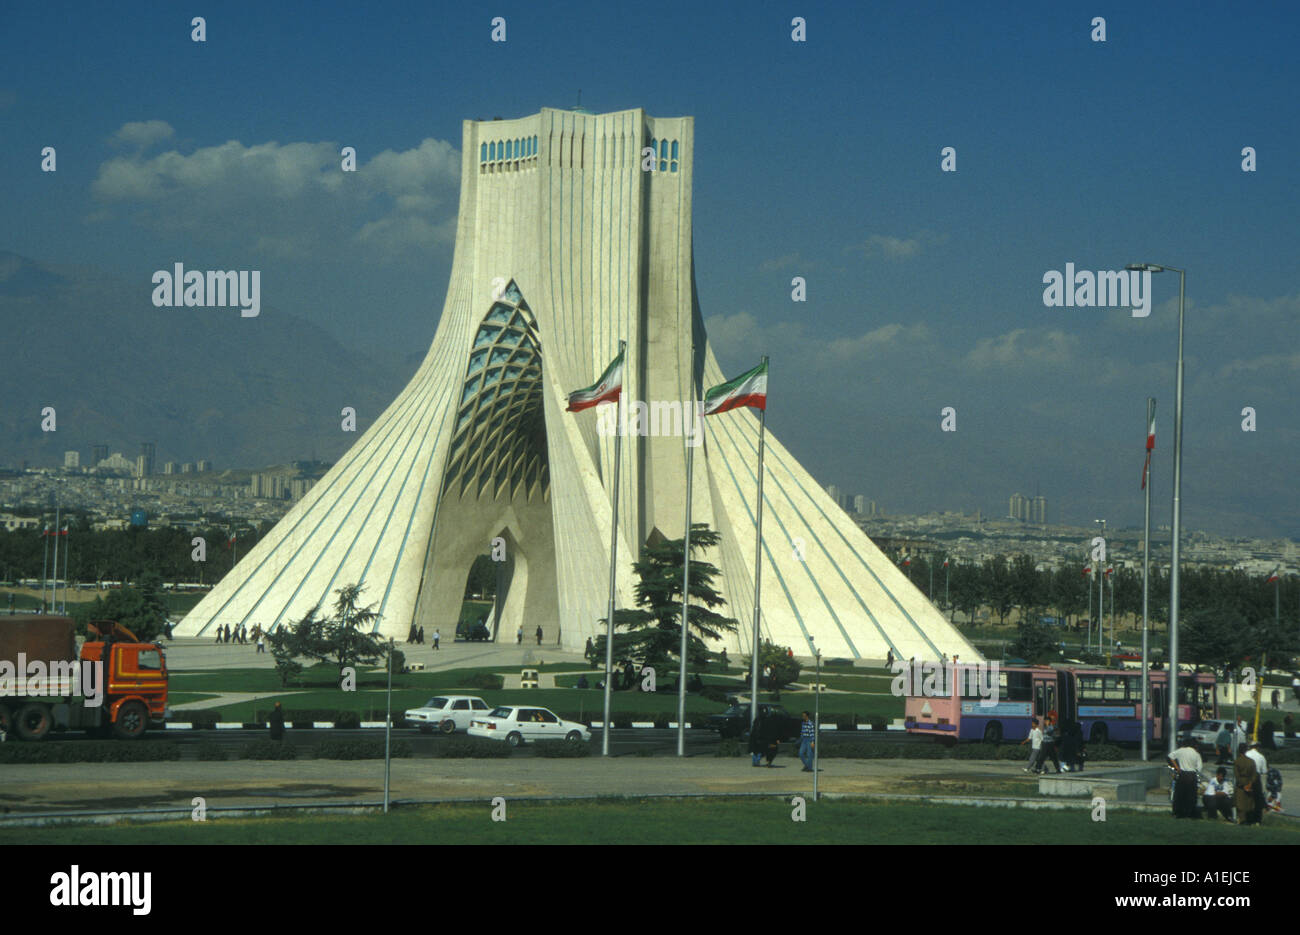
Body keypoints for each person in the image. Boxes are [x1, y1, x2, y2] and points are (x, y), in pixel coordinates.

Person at [1168, 738, 1203, 818]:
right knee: (1191, 796)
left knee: (1179, 795)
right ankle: (1190, 813)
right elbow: (1199, 768)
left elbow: (1170, 756)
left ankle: (1177, 813)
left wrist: (1177, 768)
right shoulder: (1196, 754)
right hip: (1192, 776)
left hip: (1182, 775)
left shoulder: (1181, 751)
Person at [1234, 744, 1260, 825]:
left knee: (1240, 803)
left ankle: (1242, 820)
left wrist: (1243, 785)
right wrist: (1250, 784)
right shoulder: (1251, 761)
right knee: (1249, 803)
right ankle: (1249, 820)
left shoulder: (1237, 761)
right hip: (1250, 783)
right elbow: (1254, 774)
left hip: (1241, 784)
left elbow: (1236, 775)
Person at [1245, 741, 1268, 819]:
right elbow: (1264, 771)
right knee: (1258, 798)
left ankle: (1247, 816)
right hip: (1256, 777)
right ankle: (1257, 818)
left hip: (1246, 777)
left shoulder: (1246, 754)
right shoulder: (1261, 756)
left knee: (1247, 797)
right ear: (1257, 747)